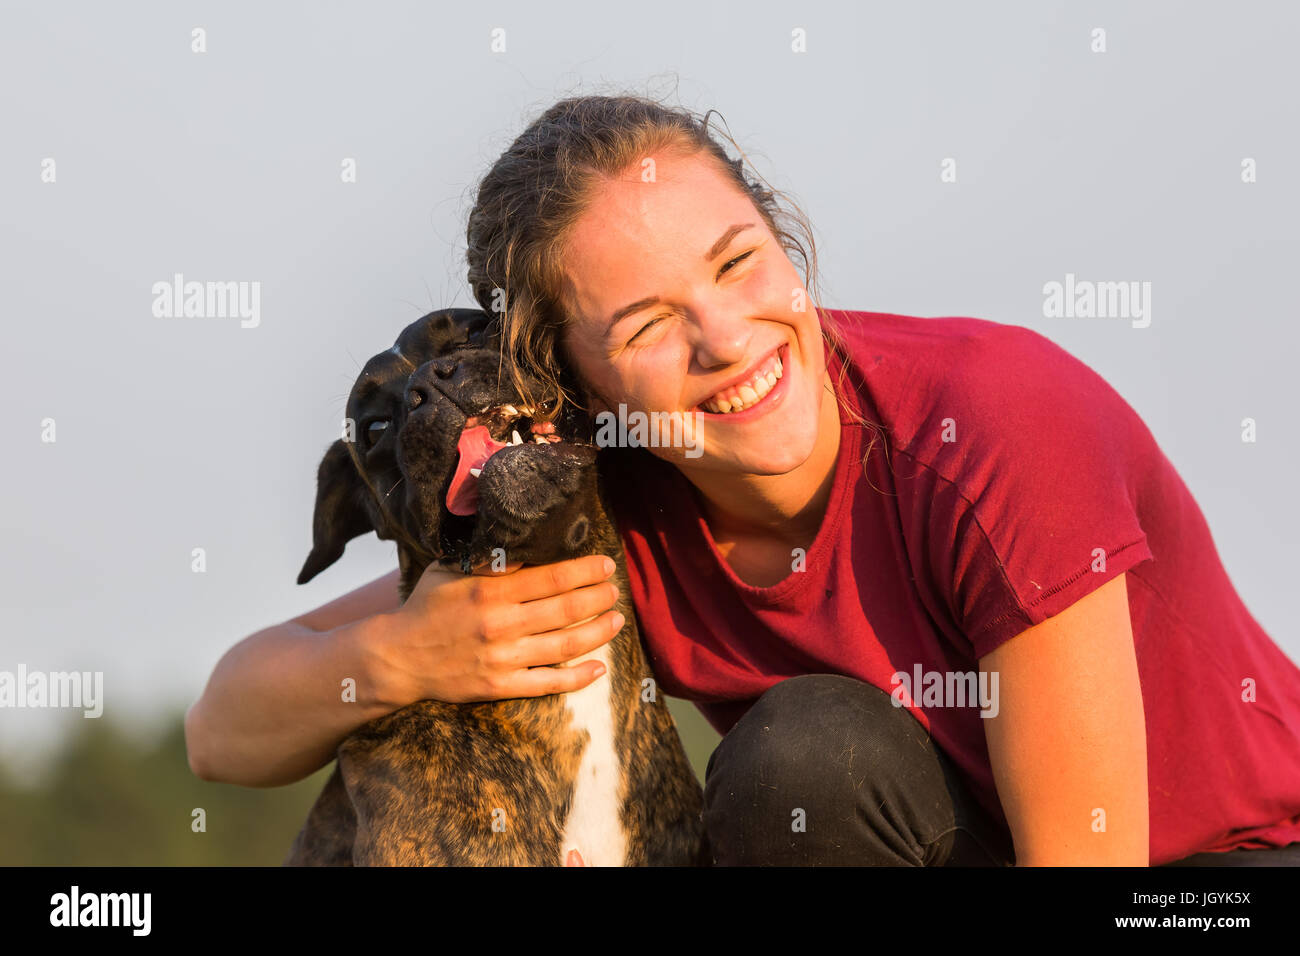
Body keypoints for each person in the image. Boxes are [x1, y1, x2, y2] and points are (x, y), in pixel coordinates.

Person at [186, 93, 1300, 867]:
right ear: (571, 379)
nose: (728, 337)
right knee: (796, 774)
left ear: (782, 235)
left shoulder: (996, 423)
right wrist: (402, 655)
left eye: (738, 262)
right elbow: (224, 731)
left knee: (801, 762)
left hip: (1214, 868)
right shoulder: (607, 495)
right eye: (649, 323)